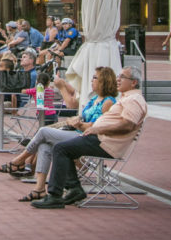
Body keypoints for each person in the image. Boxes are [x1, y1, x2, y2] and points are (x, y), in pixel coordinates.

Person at [33, 65, 148, 209]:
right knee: (60, 148)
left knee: (60, 148)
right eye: (118, 76)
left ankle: (56, 195)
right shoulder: (127, 98)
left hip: (105, 142)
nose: (118, 79)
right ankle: (73, 189)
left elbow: (127, 125)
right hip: (100, 138)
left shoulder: (134, 100)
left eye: (122, 77)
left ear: (134, 82)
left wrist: (98, 128)